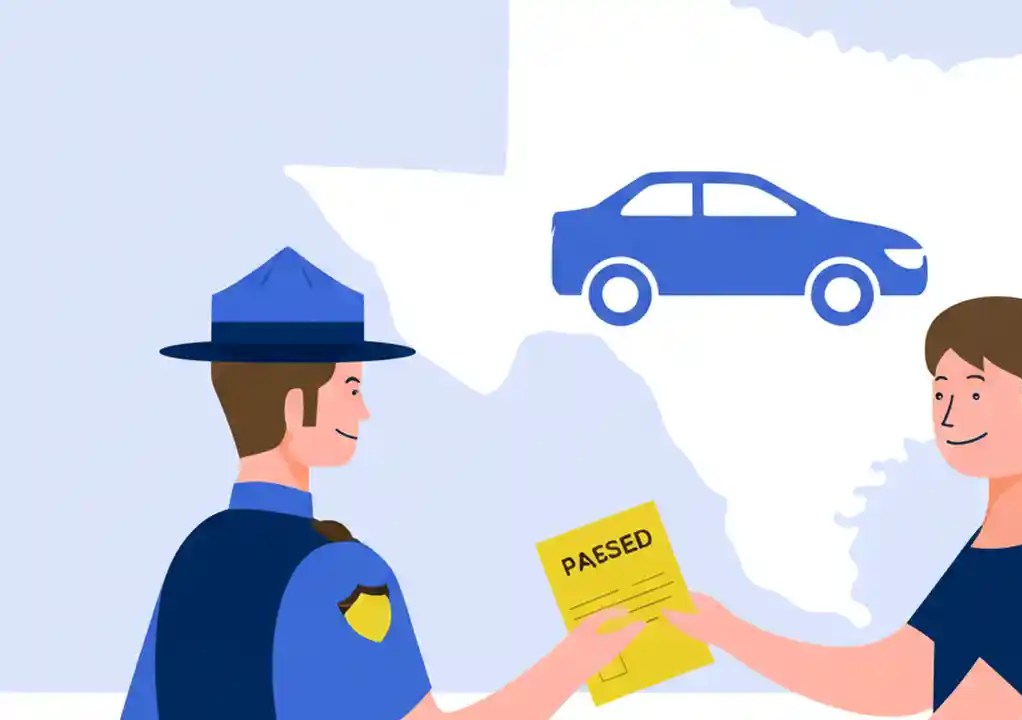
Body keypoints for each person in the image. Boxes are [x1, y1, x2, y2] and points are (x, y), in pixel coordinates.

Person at [122, 247, 642, 720]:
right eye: (350, 388)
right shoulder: (339, 568)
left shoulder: (194, 554)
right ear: (294, 405)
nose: (364, 411)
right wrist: (577, 660)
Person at [665, 296, 1022, 719]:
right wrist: (724, 630)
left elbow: (980, 709)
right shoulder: (988, 549)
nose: (949, 416)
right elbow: (897, 676)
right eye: (940, 394)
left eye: (974, 395)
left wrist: (728, 633)